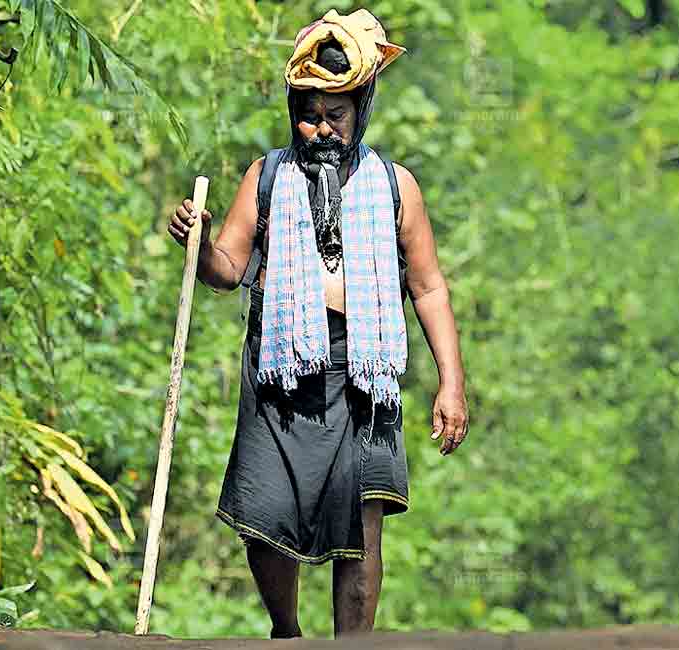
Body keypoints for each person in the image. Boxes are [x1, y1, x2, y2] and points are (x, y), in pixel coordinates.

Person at [166, 8, 468, 639]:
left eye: (336, 114)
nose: (321, 128)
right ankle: (287, 633)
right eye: (309, 113)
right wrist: (197, 246)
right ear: (292, 110)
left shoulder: (395, 186)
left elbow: (430, 287)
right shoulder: (268, 175)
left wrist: (451, 383)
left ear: (361, 110)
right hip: (282, 370)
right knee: (266, 515)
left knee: (362, 526)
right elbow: (228, 268)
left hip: (364, 374)